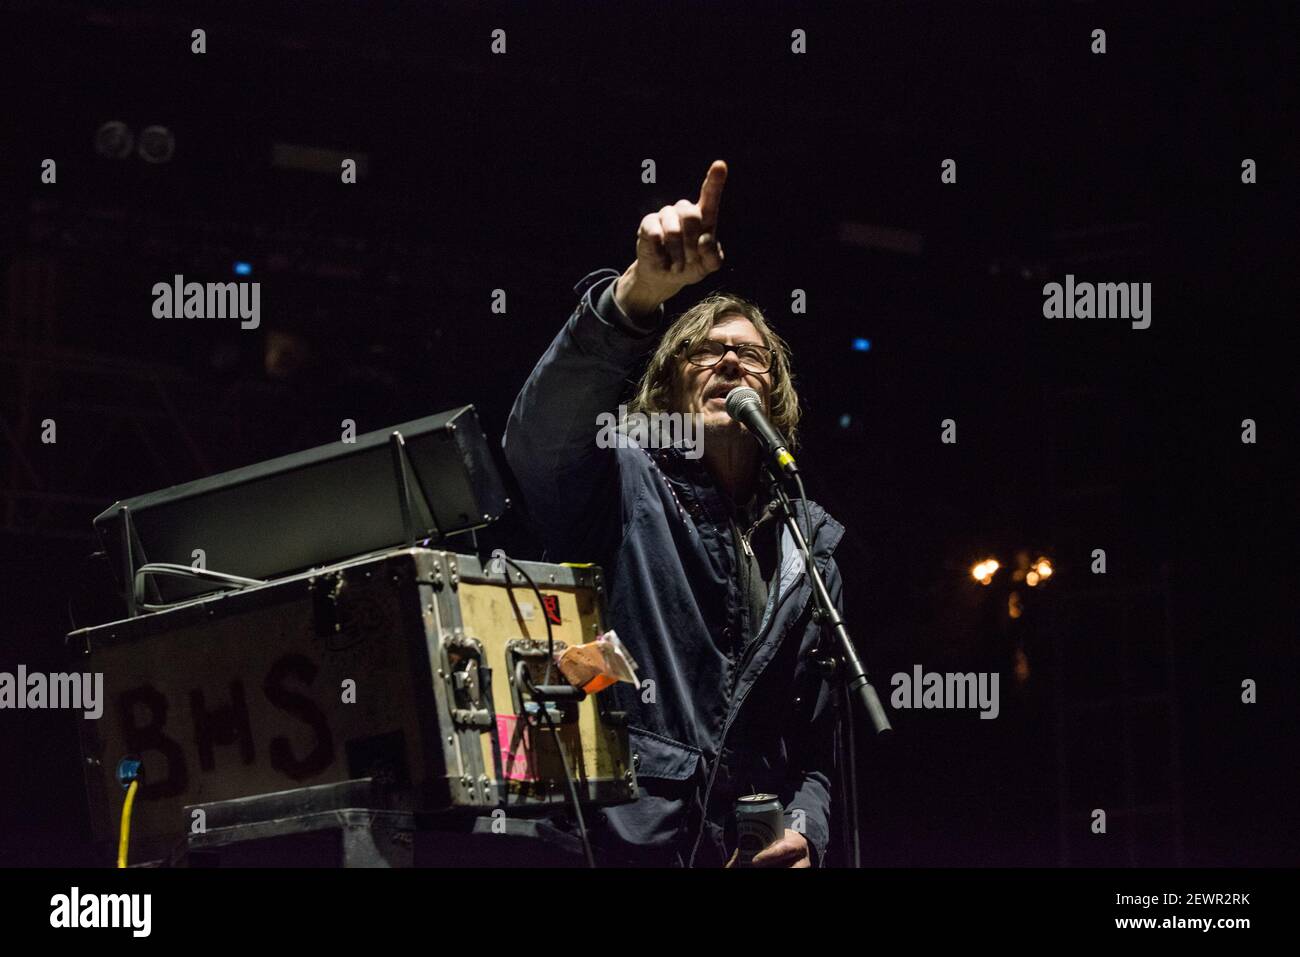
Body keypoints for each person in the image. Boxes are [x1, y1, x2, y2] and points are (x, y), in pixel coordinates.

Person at [503, 160, 847, 867]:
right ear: (667, 383)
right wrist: (636, 294)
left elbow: (816, 751)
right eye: (706, 352)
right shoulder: (626, 479)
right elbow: (538, 441)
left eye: (750, 358)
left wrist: (806, 831)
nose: (729, 364)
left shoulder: (809, 549)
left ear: (776, 396)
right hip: (620, 845)